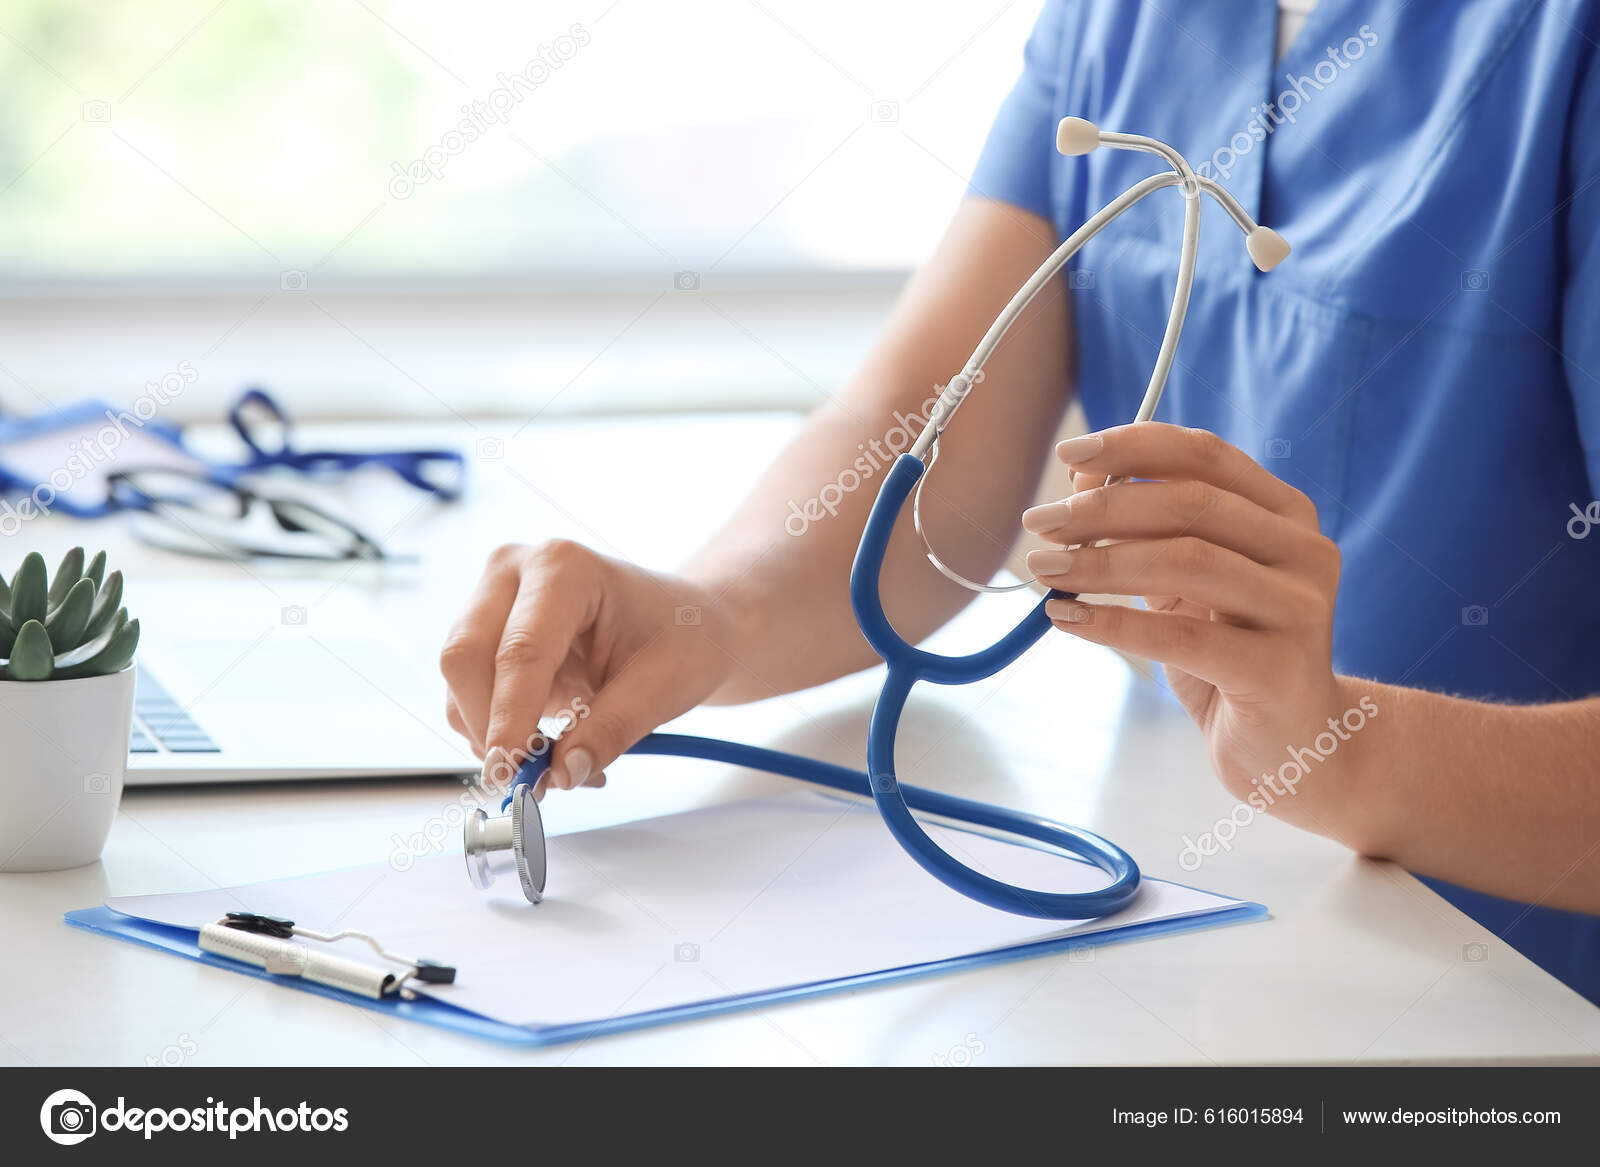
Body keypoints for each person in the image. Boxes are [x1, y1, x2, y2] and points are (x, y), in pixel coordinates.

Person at [439, 0, 1600, 1003]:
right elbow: (921, 420)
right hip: (1206, 926)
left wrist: (1343, 752)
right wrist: (711, 611)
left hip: (1517, 1008)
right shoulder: (1115, 23)